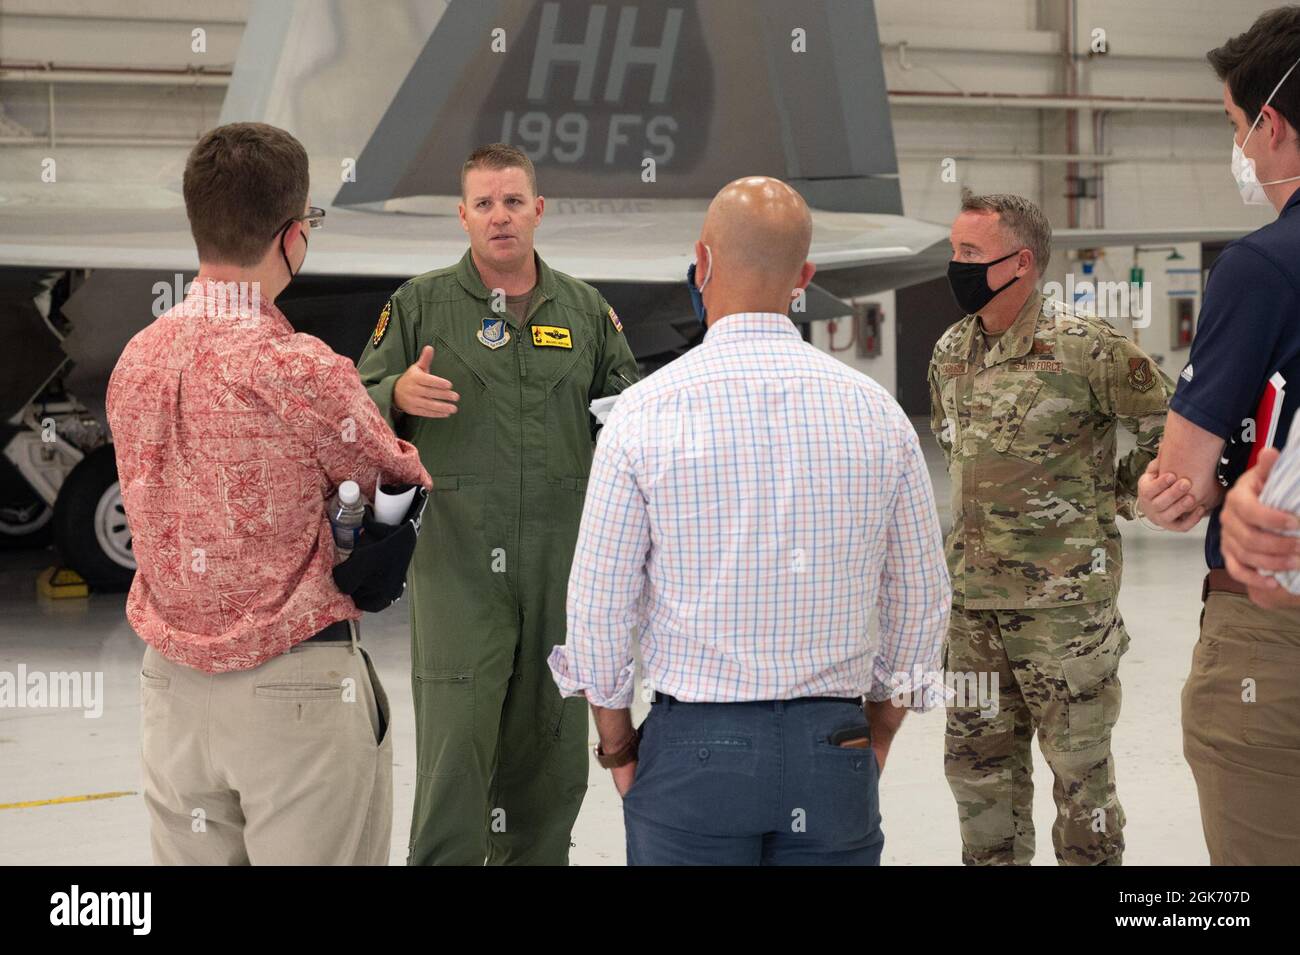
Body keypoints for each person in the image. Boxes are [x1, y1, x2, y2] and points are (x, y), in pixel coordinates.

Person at [547, 176, 950, 866]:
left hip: (694, 757)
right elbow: (921, 598)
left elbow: (598, 608)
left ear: (701, 264)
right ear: (805, 277)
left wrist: (616, 746)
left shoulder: (641, 414)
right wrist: (874, 735)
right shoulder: (877, 413)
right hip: (834, 748)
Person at [106, 122, 431, 865]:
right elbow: (398, 484)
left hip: (172, 690)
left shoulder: (137, 360)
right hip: (297, 689)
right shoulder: (300, 367)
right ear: (291, 234)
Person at [356, 143, 640, 866]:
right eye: (484, 203)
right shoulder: (419, 307)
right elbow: (353, 409)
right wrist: (396, 396)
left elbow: (630, 416)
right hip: (458, 565)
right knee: (457, 745)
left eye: (513, 200)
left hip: (560, 563)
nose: (500, 215)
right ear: (463, 216)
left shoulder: (585, 311)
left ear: (538, 210)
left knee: (550, 748)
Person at [929, 189, 1172, 865]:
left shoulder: (1086, 349)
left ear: (1021, 262)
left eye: (970, 253)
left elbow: (1168, 424)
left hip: (1066, 619)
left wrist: (1119, 495)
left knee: (1082, 787)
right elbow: (956, 454)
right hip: (974, 619)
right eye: (954, 251)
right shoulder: (950, 352)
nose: (956, 264)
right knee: (978, 784)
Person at [1137, 7, 1300, 865]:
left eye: (1236, 128)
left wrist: (1171, 485)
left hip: (1274, 637)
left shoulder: (1262, 267)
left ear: (1270, 125)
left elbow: (1182, 477)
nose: (1238, 150)